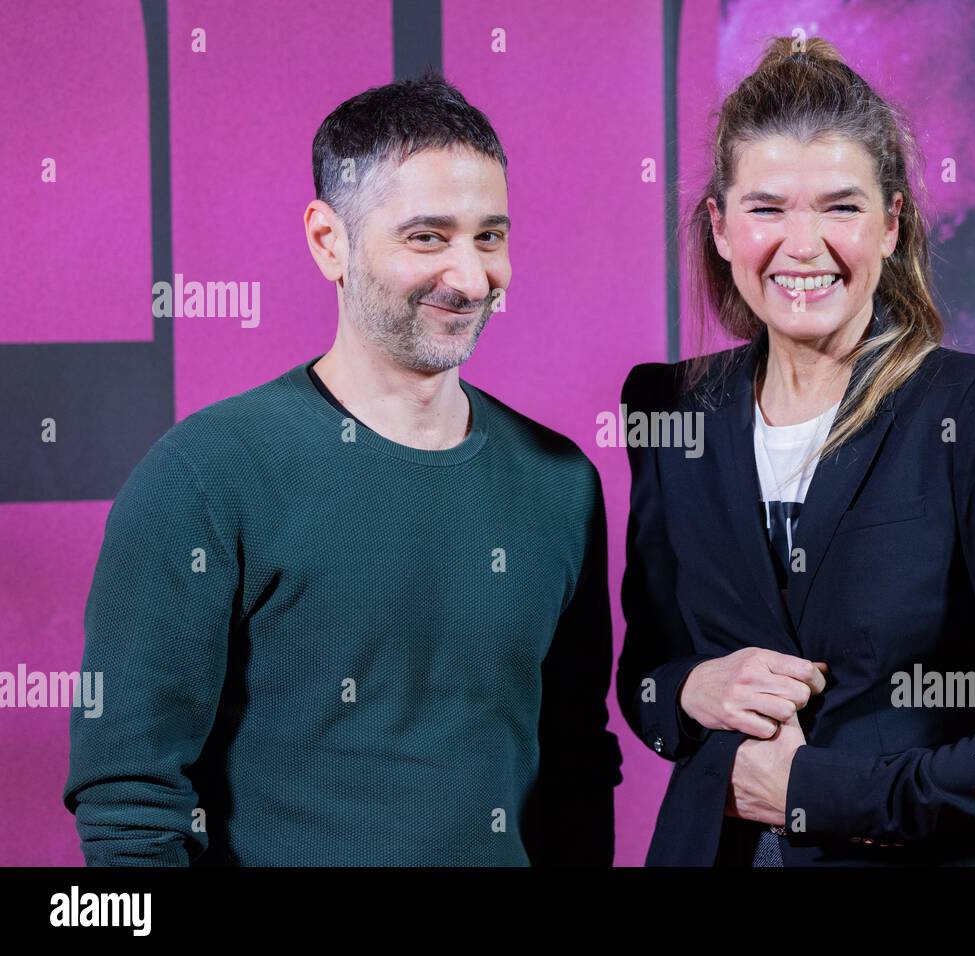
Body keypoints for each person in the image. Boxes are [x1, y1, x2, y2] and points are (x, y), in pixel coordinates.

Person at [63, 72, 621, 866]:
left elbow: (575, 763)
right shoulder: (205, 476)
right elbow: (130, 804)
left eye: (489, 237)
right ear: (330, 241)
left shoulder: (559, 482)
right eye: (427, 237)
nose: (471, 279)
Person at [616, 36, 975, 866]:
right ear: (719, 226)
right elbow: (646, 674)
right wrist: (690, 688)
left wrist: (821, 792)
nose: (803, 245)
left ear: (891, 224)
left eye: (840, 208)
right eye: (767, 209)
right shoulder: (671, 410)